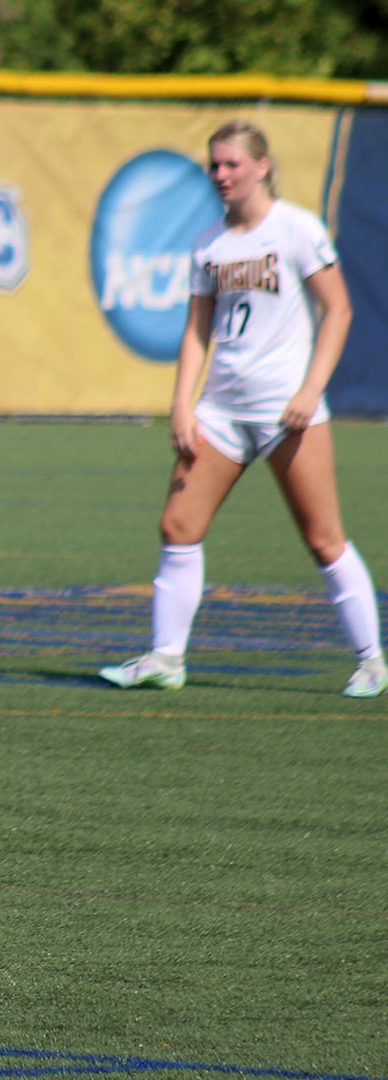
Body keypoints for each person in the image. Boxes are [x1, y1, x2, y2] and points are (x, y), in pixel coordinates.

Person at [100, 120, 382, 698]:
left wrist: (311, 389)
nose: (221, 175)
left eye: (231, 164)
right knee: (178, 526)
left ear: (262, 166)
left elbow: (341, 311)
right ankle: (165, 658)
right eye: (214, 165)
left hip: (286, 412)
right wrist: (182, 405)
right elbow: (197, 331)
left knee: (323, 539)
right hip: (221, 410)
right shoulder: (208, 242)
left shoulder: (296, 229)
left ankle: (373, 660)